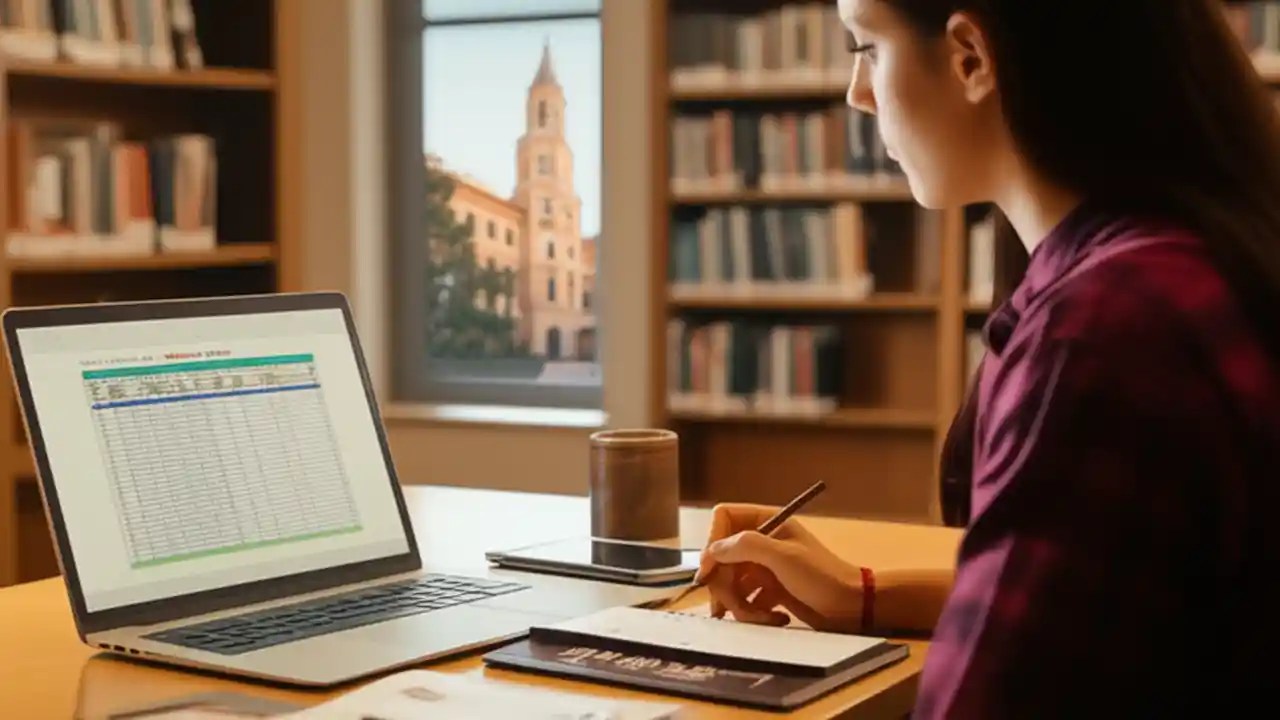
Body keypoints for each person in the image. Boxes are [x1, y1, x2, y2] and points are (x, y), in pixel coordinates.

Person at [695, 1, 1280, 717]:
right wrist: (863, 594)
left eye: (868, 46)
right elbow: (1131, 597)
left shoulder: (1106, 332)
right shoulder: (1187, 261)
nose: (858, 91)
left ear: (970, 56)